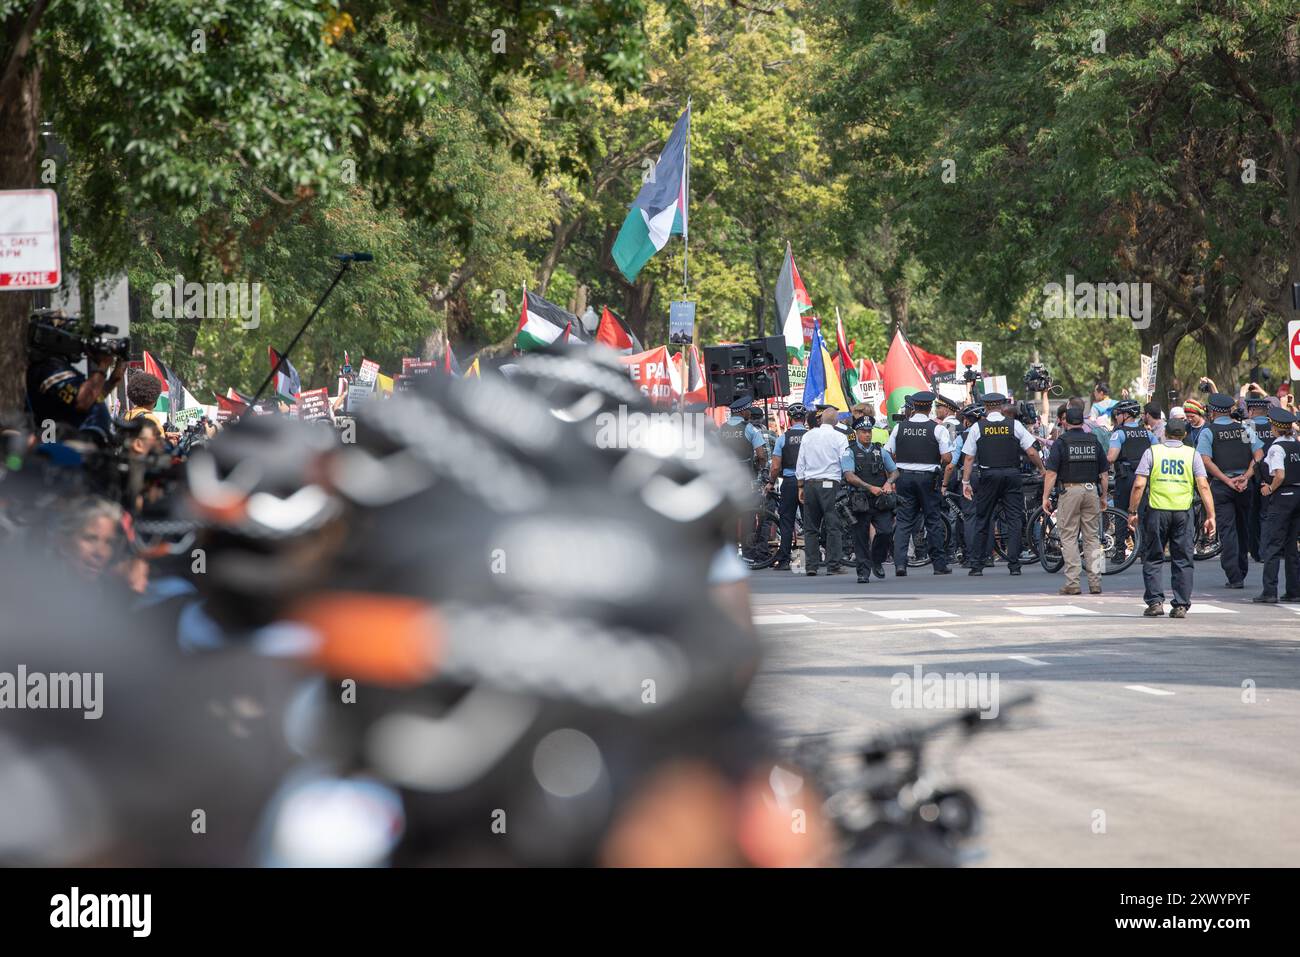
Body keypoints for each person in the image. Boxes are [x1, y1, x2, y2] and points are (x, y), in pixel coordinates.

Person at [1128, 418, 1215, 618]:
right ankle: (1181, 605)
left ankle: (1155, 602)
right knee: (1183, 558)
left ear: (1165, 433)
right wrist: (1211, 515)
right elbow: (1203, 486)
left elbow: (1139, 484)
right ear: (1184, 435)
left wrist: (1132, 512)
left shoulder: (1152, 452)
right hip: (1183, 512)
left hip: (1157, 511)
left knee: (1153, 557)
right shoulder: (1191, 454)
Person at [961, 392, 1042, 576]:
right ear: (1001, 407)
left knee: (982, 519)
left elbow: (969, 458)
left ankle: (976, 565)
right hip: (1012, 475)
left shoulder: (978, 427)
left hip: (988, 475)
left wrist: (966, 481)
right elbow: (1031, 451)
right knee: (1014, 519)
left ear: (986, 407)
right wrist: (1042, 469)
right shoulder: (1014, 425)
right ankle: (1014, 565)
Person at [885, 391, 953, 576]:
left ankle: (900, 564)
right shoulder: (938, 429)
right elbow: (947, 457)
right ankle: (939, 565)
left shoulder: (900, 427)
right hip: (928, 479)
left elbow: (888, 452)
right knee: (933, 520)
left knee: (904, 521)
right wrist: (938, 462)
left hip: (904, 478)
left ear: (913, 407)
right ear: (930, 407)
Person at [1041, 406, 1107, 595]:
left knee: (1069, 536)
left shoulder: (1061, 442)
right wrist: (1103, 496)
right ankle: (1095, 583)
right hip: (1091, 490)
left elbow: (1051, 473)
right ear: (1083, 421)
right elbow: (1103, 473)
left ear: (1065, 421)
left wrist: (1045, 497)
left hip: (1070, 491)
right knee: (1092, 537)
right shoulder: (1093, 441)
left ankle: (1073, 582)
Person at [1197, 392, 1260, 588]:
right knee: (1243, 528)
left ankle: (1234, 575)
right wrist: (1246, 476)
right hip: (1244, 484)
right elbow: (1259, 453)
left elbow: (1205, 461)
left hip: (1222, 486)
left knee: (1228, 531)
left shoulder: (1209, 432)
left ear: (1213, 412)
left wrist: (1226, 480)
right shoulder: (1245, 428)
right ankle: (1241, 569)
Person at [795, 404, 850, 576]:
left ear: (821, 419)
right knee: (833, 525)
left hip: (810, 484)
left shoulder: (808, 436)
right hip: (830, 484)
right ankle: (833, 565)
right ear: (836, 422)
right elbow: (845, 462)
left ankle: (811, 566)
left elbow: (800, 462)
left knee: (810, 527)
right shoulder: (840, 437)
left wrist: (800, 486)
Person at [1253, 407, 1300, 604]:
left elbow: (1279, 474)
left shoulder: (1276, 448)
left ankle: (1270, 591)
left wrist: (1270, 489)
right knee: (1291, 546)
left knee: (1272, 545)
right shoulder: (1297, 446)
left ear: (1275, 428)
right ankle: (1294, 590)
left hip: (1282, 497)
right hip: (1298, 495)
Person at [842, 418, 898, 582]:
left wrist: (889, 482)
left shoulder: (880, 451)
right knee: (860, 537)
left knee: (886, 531)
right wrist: (869, 487)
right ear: (857, 433)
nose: (867, 435)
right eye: (863, 432)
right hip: (860, 500)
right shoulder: (849, 451)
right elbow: (849, 476)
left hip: (880, 499)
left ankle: (877, 560)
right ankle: (863, 573)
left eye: (869, 431)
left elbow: (894, 471)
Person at [766, 403, 808, 571]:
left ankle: (783, 560)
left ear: (790, 420)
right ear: (804, 419)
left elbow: (775, 466)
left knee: (786, 522)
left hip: (790, 483)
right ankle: (813, 558)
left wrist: (770, 482)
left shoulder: (783, 438)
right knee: (809, 521)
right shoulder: (811, 436)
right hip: (807, 482)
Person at [944, 403, 983, 566]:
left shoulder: (962, 437)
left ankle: (970, 556)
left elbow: (952, 463)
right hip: (988, 477)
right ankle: (986, 555)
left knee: (968, 517)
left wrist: (944, 483)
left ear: (966, 421)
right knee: (986, 516)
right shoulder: (986, 433)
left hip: (969, 478)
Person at [1107, 399, 1157, 518]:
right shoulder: (1148, 433)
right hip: (1144, 478)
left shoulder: (1119, 434)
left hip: (1125, 479)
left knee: (1121, 516)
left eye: (1117, 414)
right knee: (1140, 514)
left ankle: (1121, 537)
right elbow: (1157, 454)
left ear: (1125, 415)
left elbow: (1111, 458)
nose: (1116, 417)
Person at [1244, 395, 1273, 562]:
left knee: (1252, 514)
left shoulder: (1248, 425)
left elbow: (1247, 451)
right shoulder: (1273, 425)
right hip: (1271, 475)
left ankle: (1255, 550)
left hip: (1253, 474)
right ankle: (1266, 550)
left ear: (1252, 410)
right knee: (1266, 514)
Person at [719, 394, 769, 474]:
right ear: (743, 412)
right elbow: (761, 456)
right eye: (748, 410)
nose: (750, 412)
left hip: (726, 474)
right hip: (745, 475)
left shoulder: (722, 428)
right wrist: (762, 470)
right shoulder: (750, 428)